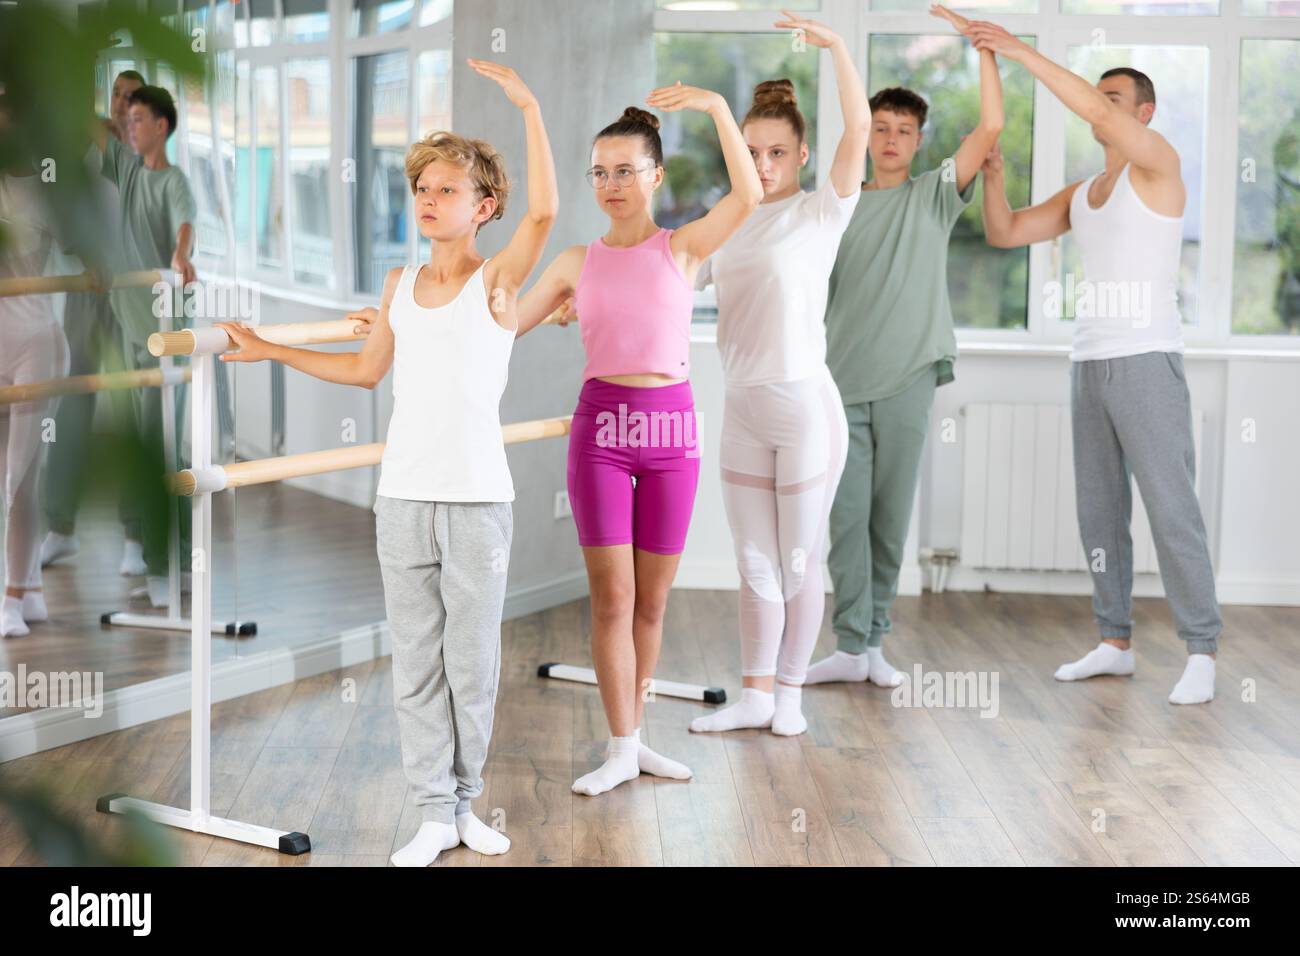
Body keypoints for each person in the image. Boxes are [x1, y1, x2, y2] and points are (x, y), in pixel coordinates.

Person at [218, 60, 558, 864]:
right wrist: (269, 350)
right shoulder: (399, 283)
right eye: (421, 189)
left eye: (447, 189)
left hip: (477, 501)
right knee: (414, 665)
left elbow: (545, 211)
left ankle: (468, 804)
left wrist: (529, 103)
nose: (429, 200)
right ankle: (433, 813)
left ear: (484, 208)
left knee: (470, 668)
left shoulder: (499, 283)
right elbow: (367, 370)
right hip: (402, 497)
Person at [965, 15, 1221, 704]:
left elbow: (1081, 103)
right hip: (1091, 363)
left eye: (1114, 100)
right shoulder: (1084, 195)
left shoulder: (1159, 166)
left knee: (1172, 510)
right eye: (1096, 98)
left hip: (1146, 362)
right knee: (1099, 512)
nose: (1099, 108)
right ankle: (1114, 641)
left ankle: (1202, 648)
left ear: (1143, 114)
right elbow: (1005, 231)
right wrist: (993, 175)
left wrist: (1018, 51)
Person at [514, 84, 762, 795]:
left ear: (655, 175)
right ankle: (620, 745)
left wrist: (717, 108)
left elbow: (746, 196)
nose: (611, 184)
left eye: (625, 170)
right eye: (599, 171)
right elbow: (503, 326)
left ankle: (637, 737)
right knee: (613, 599)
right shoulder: (571, 262)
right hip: (602, 431)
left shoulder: (681, 248)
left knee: (652, 603)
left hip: (672, 432)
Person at [805, 4, 1003, 688]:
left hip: (910, 380)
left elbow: (992, 127)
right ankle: (847, 643)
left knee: (890, 522)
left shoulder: (934, 196)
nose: (890, 138)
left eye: (904, 130)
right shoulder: (834, 206)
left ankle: (875, 644)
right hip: (838, 383)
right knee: (846, 521)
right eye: (880, 128)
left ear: (919, 141)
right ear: (866, 135)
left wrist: (982, 47)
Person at [687, 12, 868, 736]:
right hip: (743, 409)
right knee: (755, 564)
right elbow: (666, 280)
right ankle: (755, 694)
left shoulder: (821, 214)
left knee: (798, 564)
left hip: (804, 411)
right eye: (751, 151)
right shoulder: (724, 224)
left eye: (776, 153)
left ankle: (789, 695)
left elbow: (856, 132)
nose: (761, 165)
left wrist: (839, 48)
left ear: (800, 156)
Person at [92, 84, 198, 607]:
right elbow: (87, 123)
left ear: (161, 125)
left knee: (166, 449)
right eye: (125, 120)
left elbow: (184, 225)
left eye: (137, 119)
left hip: (168, 333)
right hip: (132, 327)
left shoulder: (172, 179)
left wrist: (180, 258)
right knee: (142, 448)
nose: (128, 127)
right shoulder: (126, 167)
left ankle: (171, 563)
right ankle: (152, 552)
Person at [41, 69, 147, 576]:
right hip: (90, 295)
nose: (125, 105)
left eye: (135, 98)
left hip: (136, 296)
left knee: (132, 412)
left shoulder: (150, 159)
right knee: (73, 407)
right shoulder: (86, 152)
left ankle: (134, 536)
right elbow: (66, 216)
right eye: (119, 95)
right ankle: (59, 528)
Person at [0, 94, 71, 637]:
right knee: (15, 481)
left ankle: (10, 597)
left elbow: (88, 246)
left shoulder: (46, 189)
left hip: (36, 344)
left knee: (15, 477)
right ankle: (29, 593)